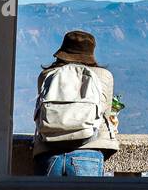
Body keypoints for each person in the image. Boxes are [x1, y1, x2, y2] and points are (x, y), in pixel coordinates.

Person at [32, 30, 120, 177]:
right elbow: (105, 113)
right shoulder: (104, 76)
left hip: (49, 151)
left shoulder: (47, 75)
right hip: (89, 150)